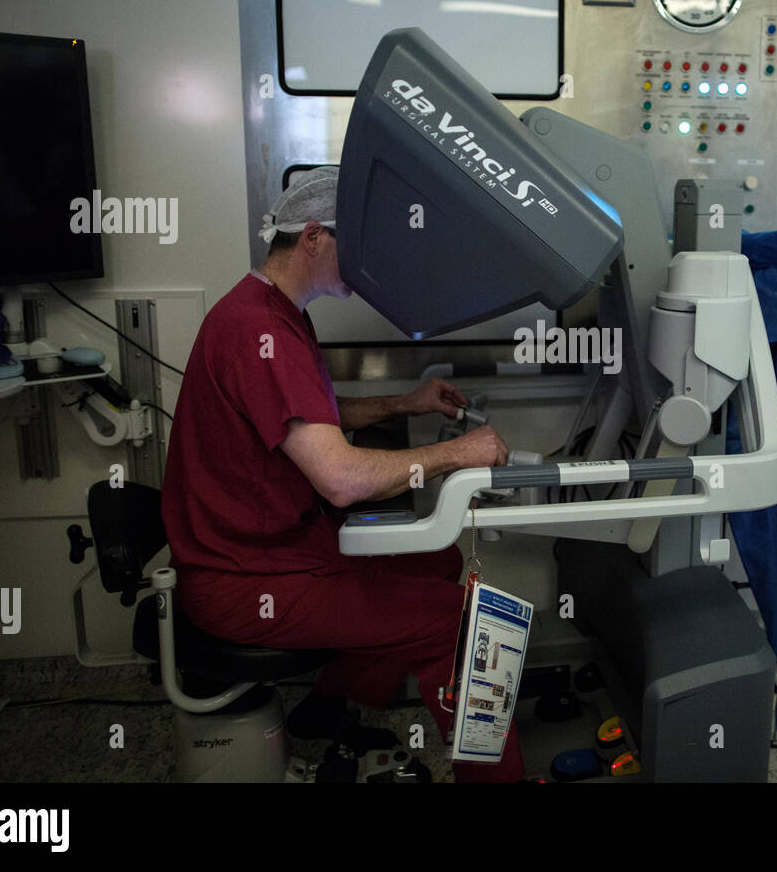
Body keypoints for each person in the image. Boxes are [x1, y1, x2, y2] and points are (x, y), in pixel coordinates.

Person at [160, 166, 524, 781]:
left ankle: (325, 709)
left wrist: (403, 403)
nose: (368, 266)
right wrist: (456, 453)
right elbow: (341, 479)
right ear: (312, 237)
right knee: (455, 620)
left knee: (435, 562)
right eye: (360, 249)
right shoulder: (259, 330)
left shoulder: (270, 311)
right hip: (246, 577)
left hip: (276, 548)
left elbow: (306, 418)